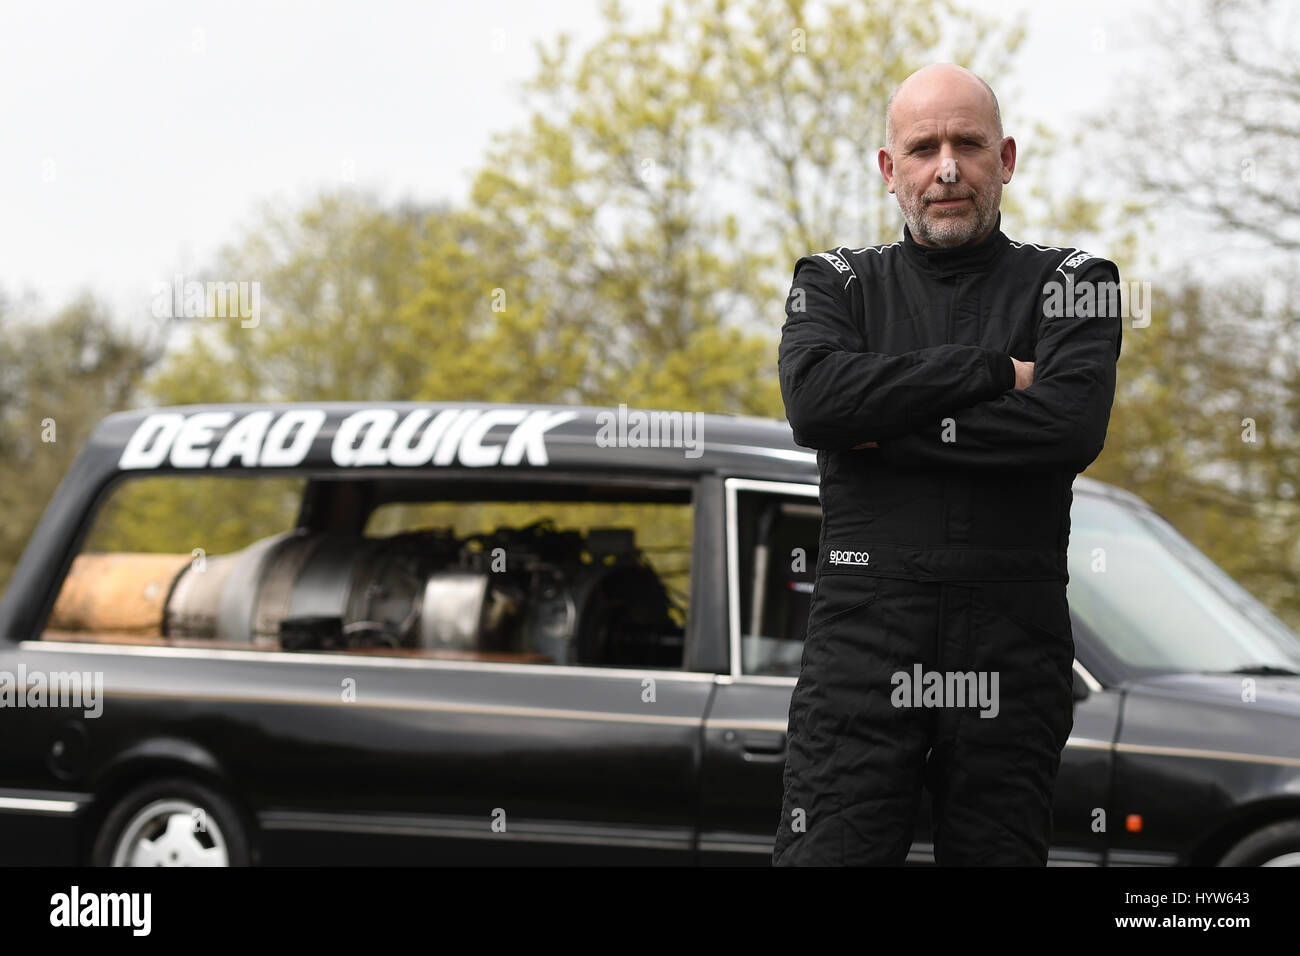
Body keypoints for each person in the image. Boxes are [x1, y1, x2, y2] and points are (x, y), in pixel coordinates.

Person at [772, 63, 1123, 866]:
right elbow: (817, 405)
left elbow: (1068, 426)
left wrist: (881, 427)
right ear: (889, 169)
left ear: (1006, 158)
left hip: (1012, 646)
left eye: (968, 144)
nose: (948, 169)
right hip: (861, 643)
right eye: (923, 148)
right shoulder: (833, 281)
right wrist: (994, 370)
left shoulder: (1078, 282)